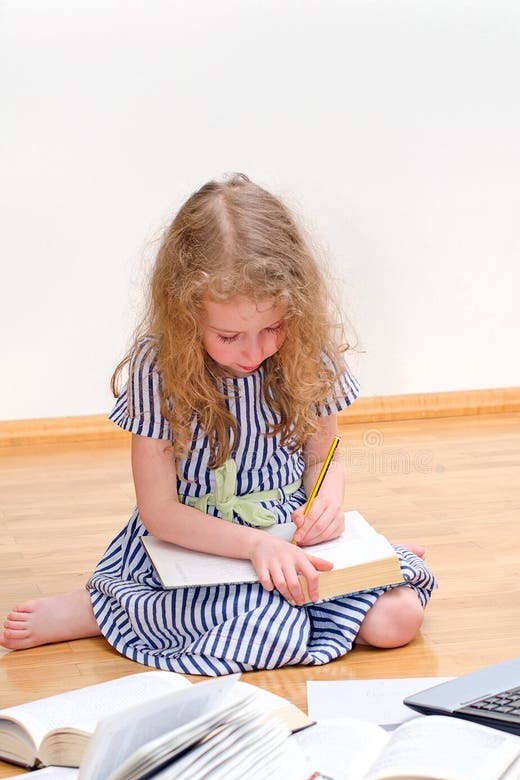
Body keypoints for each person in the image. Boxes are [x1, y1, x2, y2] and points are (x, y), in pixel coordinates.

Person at [0, 174, 436, 675]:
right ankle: (105, 607)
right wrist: (255, 546)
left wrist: (327, 504)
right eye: (230, 335)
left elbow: (325, 455)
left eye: (272, 327)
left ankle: (152, 613)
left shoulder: (305, 350)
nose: (254, 351)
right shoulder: (158, 369)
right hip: (197, 542)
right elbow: (159, 512)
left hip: (286, 535)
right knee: (269, 632)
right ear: (186, 316)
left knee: (398, 619)